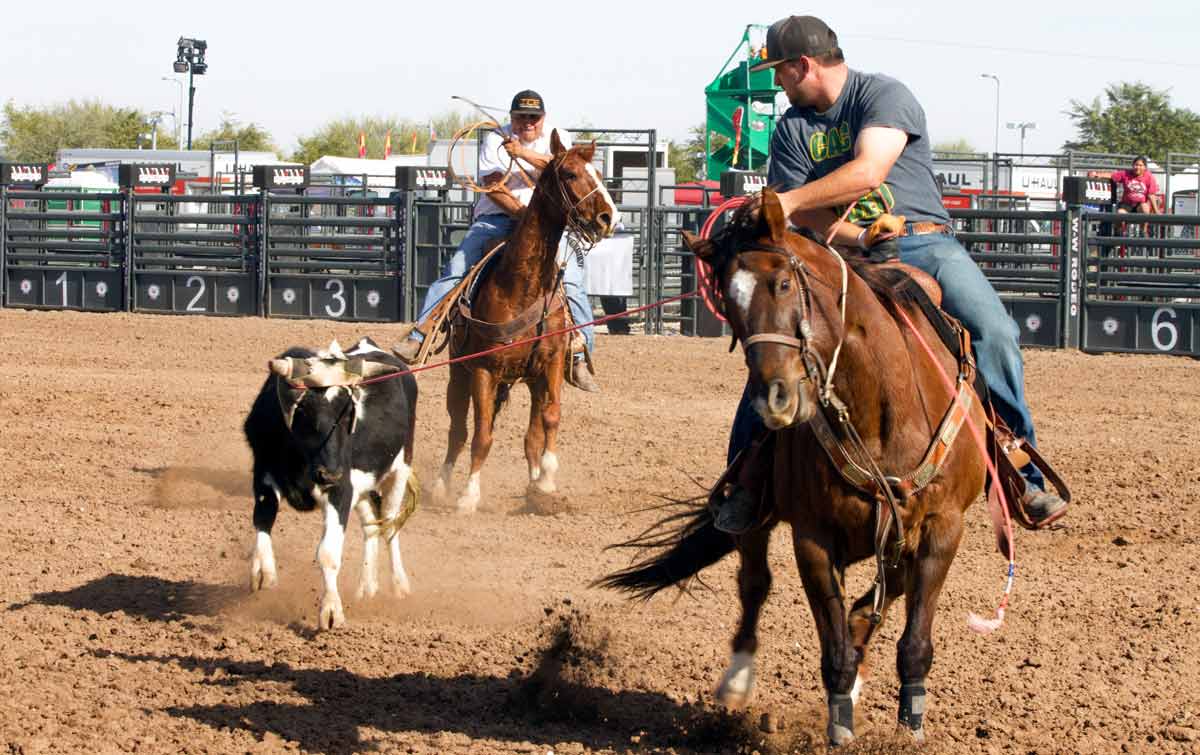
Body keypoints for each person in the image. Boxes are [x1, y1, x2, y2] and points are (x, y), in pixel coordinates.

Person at [710, 15, 1067, 534]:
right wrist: (855, 238)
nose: (777, 82)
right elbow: (810, 219)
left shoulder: (882, 95)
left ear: (802, 64)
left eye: (779, 71)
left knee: (995, 332)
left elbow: (869, 170)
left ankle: (1017, 469)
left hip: (924, 243)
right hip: (843, 254)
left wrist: (784, 200)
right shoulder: (791, 127)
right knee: (777, 345)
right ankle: (747, 476)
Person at [393, 89, 599, 392]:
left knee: (573, 284)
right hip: (496, 219)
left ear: (543, 118)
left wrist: (523, 154)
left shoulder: (559, 138)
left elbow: (565, 166)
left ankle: (579, 354)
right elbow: (493, 185)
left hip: (550, 226)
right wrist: (521, 213)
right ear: (512, 118)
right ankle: (420, 334)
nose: (528, 123)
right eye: (521, 117)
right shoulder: (494, 139)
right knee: (458, 270)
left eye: (534, 117)